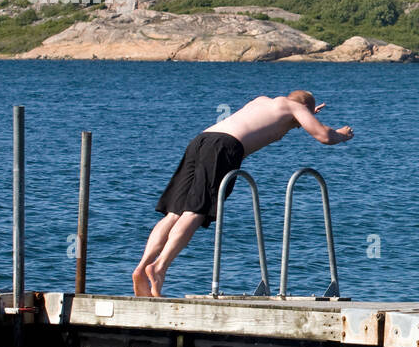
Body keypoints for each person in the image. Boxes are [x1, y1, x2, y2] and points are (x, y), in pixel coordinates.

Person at [133, 90, 353, 297]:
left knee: (174, 213)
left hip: (201, 140)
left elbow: (275, 121)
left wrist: (305, 115)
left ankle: (142, 268)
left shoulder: (262, 101)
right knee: (195, 212)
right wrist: (342, 135)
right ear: (304, 106)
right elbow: (324, 136)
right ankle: (160, 268)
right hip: (224, 147)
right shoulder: (295, 108)